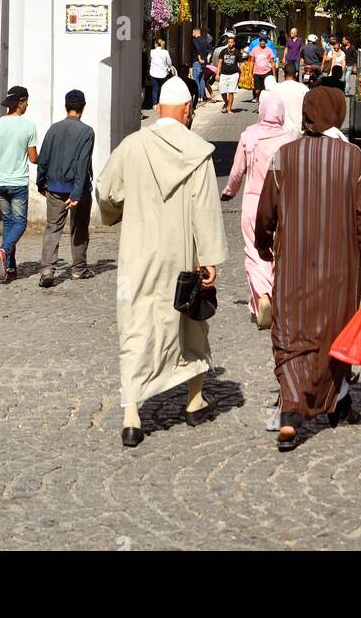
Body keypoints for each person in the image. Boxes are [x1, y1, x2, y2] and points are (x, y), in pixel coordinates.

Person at [97, 76, 228, 448]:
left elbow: (106, 191)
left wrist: (118, 210)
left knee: (136, 325)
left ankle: (131, 415)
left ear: (158, 109)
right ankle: (193, 399)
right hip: (181, 255)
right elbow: (205, 210)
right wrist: (210, 258)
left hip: (137, 254)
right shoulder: (198, 152)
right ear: (188, 111)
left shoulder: (132, 146)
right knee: (190, 321)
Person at [254, 87, 361, 452]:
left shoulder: (283, 156)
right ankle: (336, 400)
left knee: (293, 337)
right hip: (339, 271)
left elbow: (266, 213)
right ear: (338, 114)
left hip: (293, 266)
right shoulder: (353, 159)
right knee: (332, 335)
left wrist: (264, 245)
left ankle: (291, 416)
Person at [221, 93, 294, 328]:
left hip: (253, 202)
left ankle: (262, 296)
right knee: (277, 251)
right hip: (281, 204)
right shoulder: (288, 139)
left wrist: (230, 191)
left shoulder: (248, 136)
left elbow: (236, 172)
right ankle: (276, 297)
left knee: (254, 252)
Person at [37, 89, 95, 286]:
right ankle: (78, 269)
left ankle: (47, 269)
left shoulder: (53, 129)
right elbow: (83, 163)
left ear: (66, 106)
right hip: (79, 188)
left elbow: (43, 157)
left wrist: (40, 182)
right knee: (79, 228)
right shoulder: (87, 132)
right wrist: (77, 192)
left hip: (54, 186)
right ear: (83, 108)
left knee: (53, 227)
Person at [0, 85, 38, 284]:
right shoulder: (28, 126)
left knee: (8, 223)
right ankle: (3, 251)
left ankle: (10, 268)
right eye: (26, 102)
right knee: (20, 223)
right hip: (18, 183)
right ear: (21, 103)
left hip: (0, 182)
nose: (27, 105)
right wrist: (45, 159)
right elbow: (33, 158)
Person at [274, 61, 308, 136]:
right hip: (299, 131)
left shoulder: (276, 89)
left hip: (280, 130)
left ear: (283, 74)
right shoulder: (303, 89)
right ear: (296, 74)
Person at [246, 32, 275, 103]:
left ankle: (263, 103)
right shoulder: (254, 50)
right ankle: (258, 99)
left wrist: (274, 74)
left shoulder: (269, 50)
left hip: (267, 72)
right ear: (259, 41)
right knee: (257, 90)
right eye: (261, 41)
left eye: (264, 41)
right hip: (257, 73)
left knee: (265, 89)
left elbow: (272, 63)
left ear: (266, 42)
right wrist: (250, 73)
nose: (262, 42)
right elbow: (252, 62)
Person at [215, 33, 241, 113]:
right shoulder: (223, 51)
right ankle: (226, 102)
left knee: (231, 91)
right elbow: (219, 63)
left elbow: (240, 64)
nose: (230, 44)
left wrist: (242, 75)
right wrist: (217, 74)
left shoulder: (237, 52)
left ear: (234, 43)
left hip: (234, 74)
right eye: (228, 42)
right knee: (222, 90)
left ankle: (229, 109)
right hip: (224, 74)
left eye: (231, 42)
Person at [148, 37, 173, 108]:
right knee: (163, 88)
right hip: (163, 73)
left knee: (155, 89)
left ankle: (155, 105)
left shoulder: (151, 51)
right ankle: (162, 103)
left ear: (155, 44)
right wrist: (169, 66)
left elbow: (149, 61)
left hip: (153, 72)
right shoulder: (165, 52)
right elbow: (169, 63)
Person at [190, 28, 212, 103]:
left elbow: (198, 49)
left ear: (196, 32)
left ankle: (198, 96)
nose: (192, 33)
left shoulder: (195, 40)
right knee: (201, 79)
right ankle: (202, 97)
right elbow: (210, 49)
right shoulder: (204, 40)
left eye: (193, 32)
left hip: (197, 62)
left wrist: (199, 59)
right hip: (204, 62)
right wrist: (208, 57)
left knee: (196, 80)